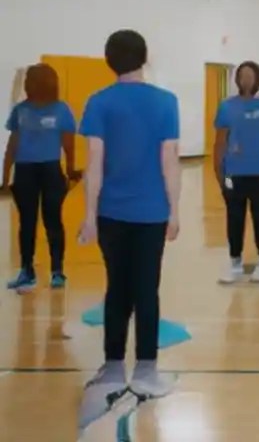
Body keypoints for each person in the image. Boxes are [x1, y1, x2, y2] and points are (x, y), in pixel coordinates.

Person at [75, 30, 182, 429]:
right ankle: (146, 369)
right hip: (152, 212)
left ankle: (113, 366)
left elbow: (94, 163)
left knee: (116, 287)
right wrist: (174, 211)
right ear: (144, 57)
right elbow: (169, 159)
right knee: (145, 288)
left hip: (111, 214)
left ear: (108, 60)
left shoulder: (99, 102)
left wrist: (89, 215)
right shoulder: (165, 101)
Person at [3, 63, 78, 292]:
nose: (28, 84)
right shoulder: (20, 110)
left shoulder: (61, 110)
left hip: (51, 171)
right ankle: (27, 271)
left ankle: (57, 271)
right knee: (27, 222)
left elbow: (68, 144)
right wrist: (5, 176)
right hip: (25, 171)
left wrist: (70, 171)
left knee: (52, 220)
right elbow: (13, 145)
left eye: (32, 80)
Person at [214, 62, 259, 284]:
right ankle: (235, 262)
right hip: (233, 173)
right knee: (234, 217)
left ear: (258, 79)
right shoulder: (227, 107)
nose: (246, 79)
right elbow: (220, 142)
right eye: (242, 75)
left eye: (250, 75)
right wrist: (220, 173)